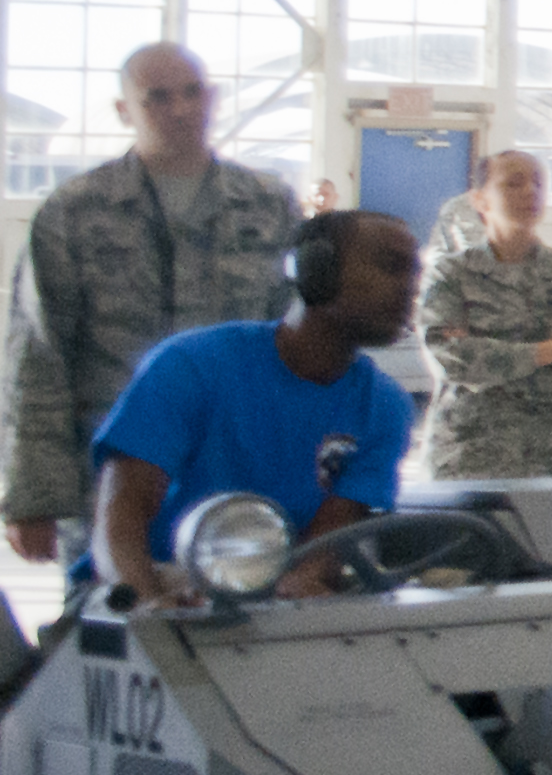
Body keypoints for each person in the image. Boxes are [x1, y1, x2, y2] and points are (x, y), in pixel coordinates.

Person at [5, 43, 301, 565]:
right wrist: (34, 499)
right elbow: (38, 356)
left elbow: (294, 341)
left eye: (192, 93)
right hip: (112, 468)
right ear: (125, 111)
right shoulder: (76, 210)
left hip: (236, 469)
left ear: (212, 98)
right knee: (111, 624)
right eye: (157, 98)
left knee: (241, 627)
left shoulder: (267, 204)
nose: (181, 109)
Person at [89, 211, 421, 608]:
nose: (408, 288)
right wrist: (144, 601)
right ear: (317, 271)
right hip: (148, 582)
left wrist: (298, 592)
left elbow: (327, 546)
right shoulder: (191, 365)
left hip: (262, 597)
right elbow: (121, 512)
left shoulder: (385, 407)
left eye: (414, 273)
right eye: (391, 267)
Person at [419, 149, 552, 478]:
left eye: (538, 183)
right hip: (468, 458)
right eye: (513, 183)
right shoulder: (451, 276)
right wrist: (546, 352)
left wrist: (491, 365)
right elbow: (451, 359)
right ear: (481, 200)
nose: (530, 192)